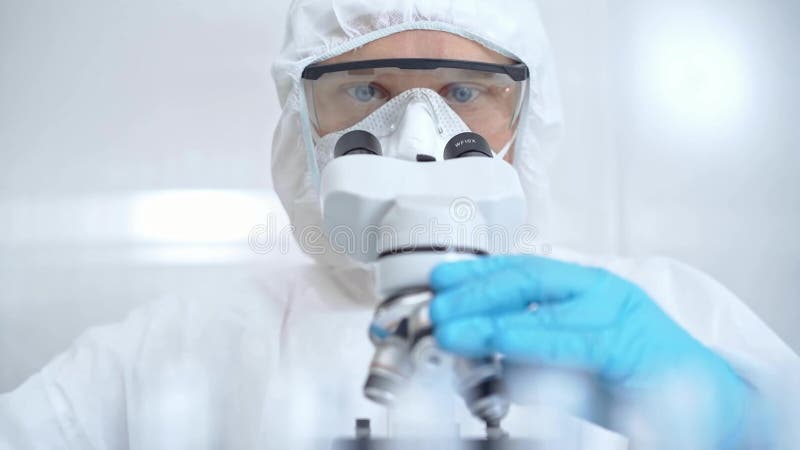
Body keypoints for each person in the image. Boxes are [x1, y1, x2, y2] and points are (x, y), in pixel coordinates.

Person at [1, 1, 798, 449]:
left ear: (530, 114)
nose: (415, 139)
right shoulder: (172, 352)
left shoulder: (654, 315)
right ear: (299, 126)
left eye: (461, 93)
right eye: (364, 90)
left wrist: (742, 423)